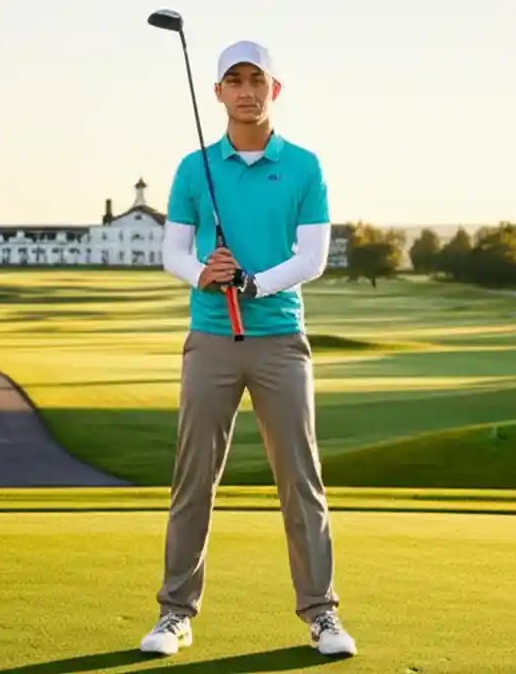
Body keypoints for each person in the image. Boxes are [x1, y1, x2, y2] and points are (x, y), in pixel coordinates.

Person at [139, 39, 357, 658]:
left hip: (279, 340)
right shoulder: (193, 169)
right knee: (193, 482)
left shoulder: (305, 166)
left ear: (274, 90)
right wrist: (203, 272)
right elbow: (173, 252)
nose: (245, 90)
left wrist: (254, 283)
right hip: (210, 339)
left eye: (256, 80)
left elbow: (310, 257)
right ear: (218, 94)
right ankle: (175, 614)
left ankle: (322, 615)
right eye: (233, 80)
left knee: (300, 480)